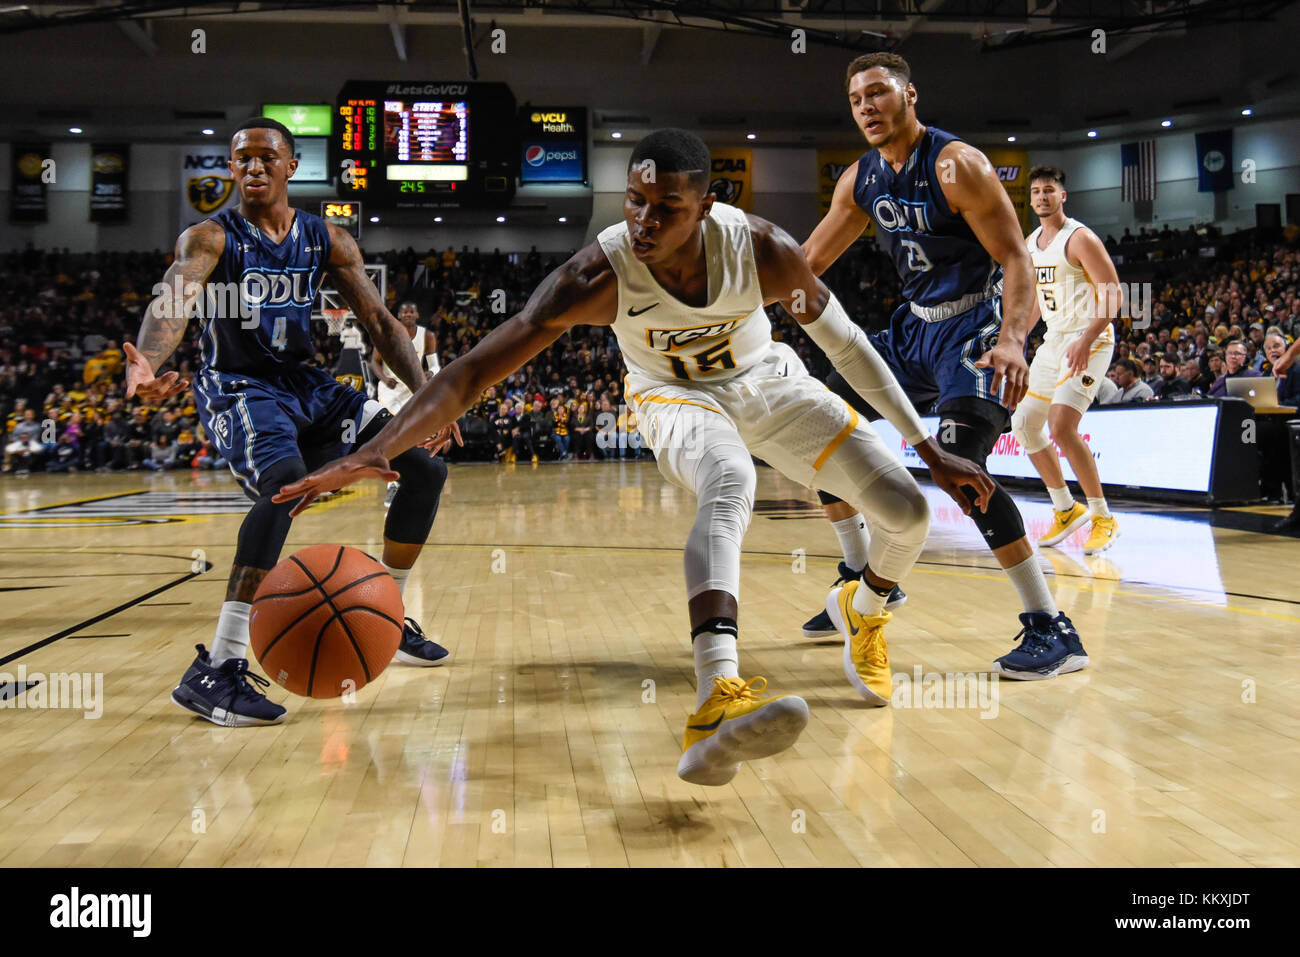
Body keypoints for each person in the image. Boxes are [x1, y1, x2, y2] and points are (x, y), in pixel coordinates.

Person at [274, 128, 993, 786]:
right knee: (730, 479)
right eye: (635, 201)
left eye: (667, 207)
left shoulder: (764, 250)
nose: (644, 221)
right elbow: (468, 373)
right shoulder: (600, 272)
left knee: (908, 513)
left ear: (707, 206)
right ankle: (717, 692)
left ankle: (861, 610)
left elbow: (847, 344)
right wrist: (371, 451)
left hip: (768, 384)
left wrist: (927, 445)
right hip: (673, 399)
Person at [124, 117, 457, 729]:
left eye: (265, 157)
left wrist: (432, 396)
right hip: (241, 388)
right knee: (285, 487)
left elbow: (382, 323)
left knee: (423, 469)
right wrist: (148, 362)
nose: (252, 167)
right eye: (241, 158)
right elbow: (173, 299)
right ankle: (218, 668)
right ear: (231, 169)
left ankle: (385, 610)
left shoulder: (325, 238)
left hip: (309, 386)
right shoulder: (210, 238)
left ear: (290, 166)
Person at [798, 53, 1088, 679]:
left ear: (910, 96)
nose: (867, 107)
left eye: (879, 93)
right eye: (856, 99)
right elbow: (806, 264)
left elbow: (1015, 260)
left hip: (973, 328)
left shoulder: (958, 165)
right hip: (910, 329)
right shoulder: (860, 179)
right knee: (816, 426)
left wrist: (1013, 339)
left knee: (963, 469)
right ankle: (861, 577)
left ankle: (1052, 627)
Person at [1009, 166, 1122, 555]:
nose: (1042, 197)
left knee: (1061, 425)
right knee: (1023, 423)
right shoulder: (1031, 242)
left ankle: (1104, 517)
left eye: (1049, 191)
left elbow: (1114, 294)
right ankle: (1065, 509)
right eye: (1036, 191)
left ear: (1063, 196)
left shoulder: (1081, 238)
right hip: (1055, 340)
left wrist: (1087, 338)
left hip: (1090, 338)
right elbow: (1040, 300)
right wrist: (1017, 339)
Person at [371, 301, 441, 507]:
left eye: (412, 311)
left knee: (410, 436)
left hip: (412, 390)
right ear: (399, 315)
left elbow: (435, 366)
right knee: (391, 433)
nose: (408, 314)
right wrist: (384, 379)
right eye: (404, 311)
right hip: (390, 391)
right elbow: (374, 361)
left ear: (417, 314)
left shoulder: (427, 336)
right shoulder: (387, 334)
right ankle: (392, 484)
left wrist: (431, 374)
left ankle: (410, 478)